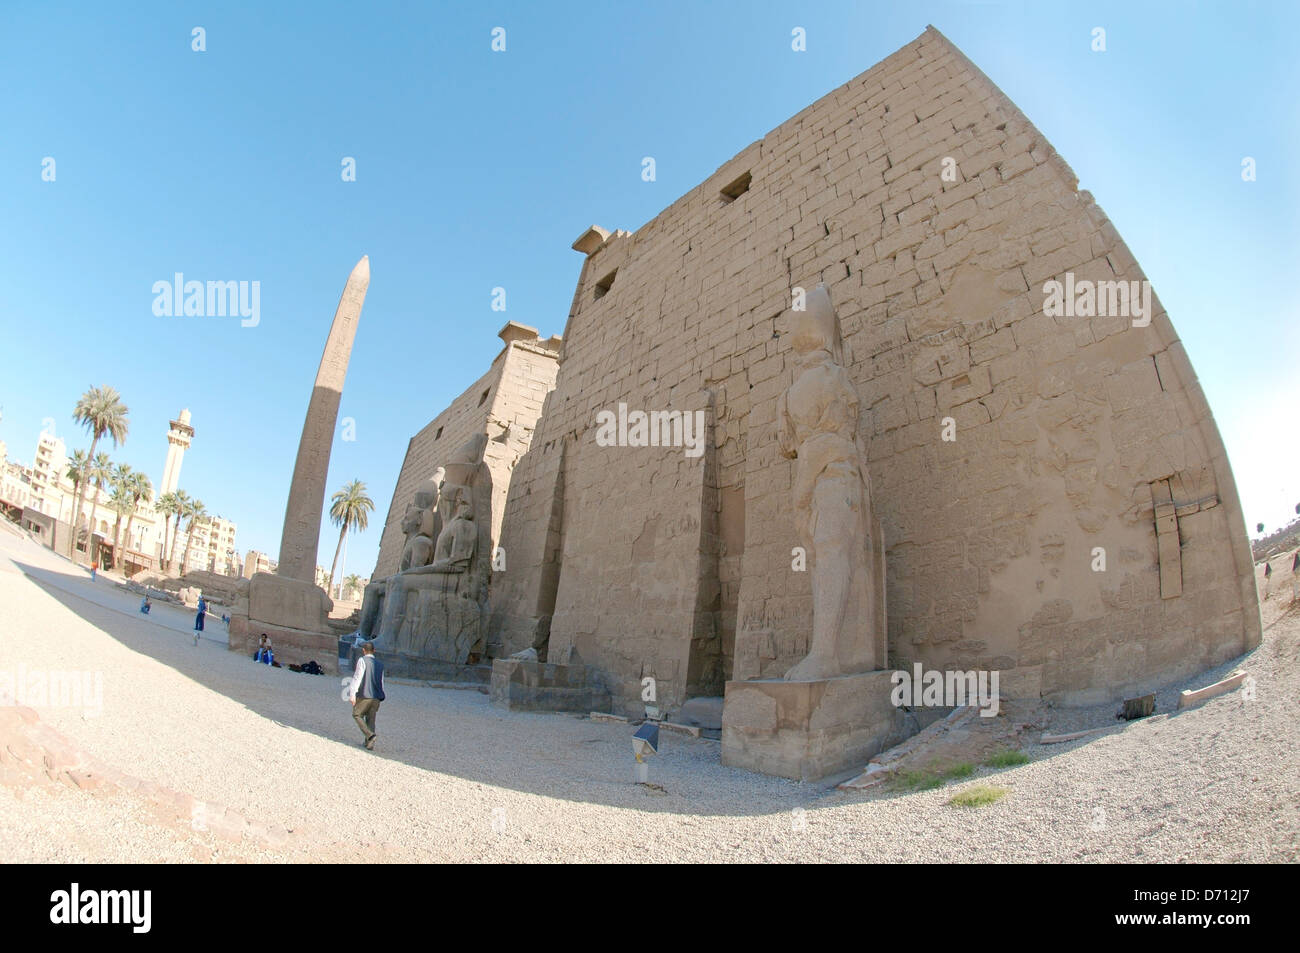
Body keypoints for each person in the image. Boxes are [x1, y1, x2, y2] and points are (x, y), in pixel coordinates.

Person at [347, 641, 386, 750]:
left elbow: (357, 677)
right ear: (374, 651)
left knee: (357, 714)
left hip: (365, 694)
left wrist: (352, 693)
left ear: (363, 650)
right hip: (377, 696)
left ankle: (370, 735)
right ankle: (369, 743)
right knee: (371, 719)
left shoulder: (362, 660)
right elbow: (381, 681)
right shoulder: (380, 664)